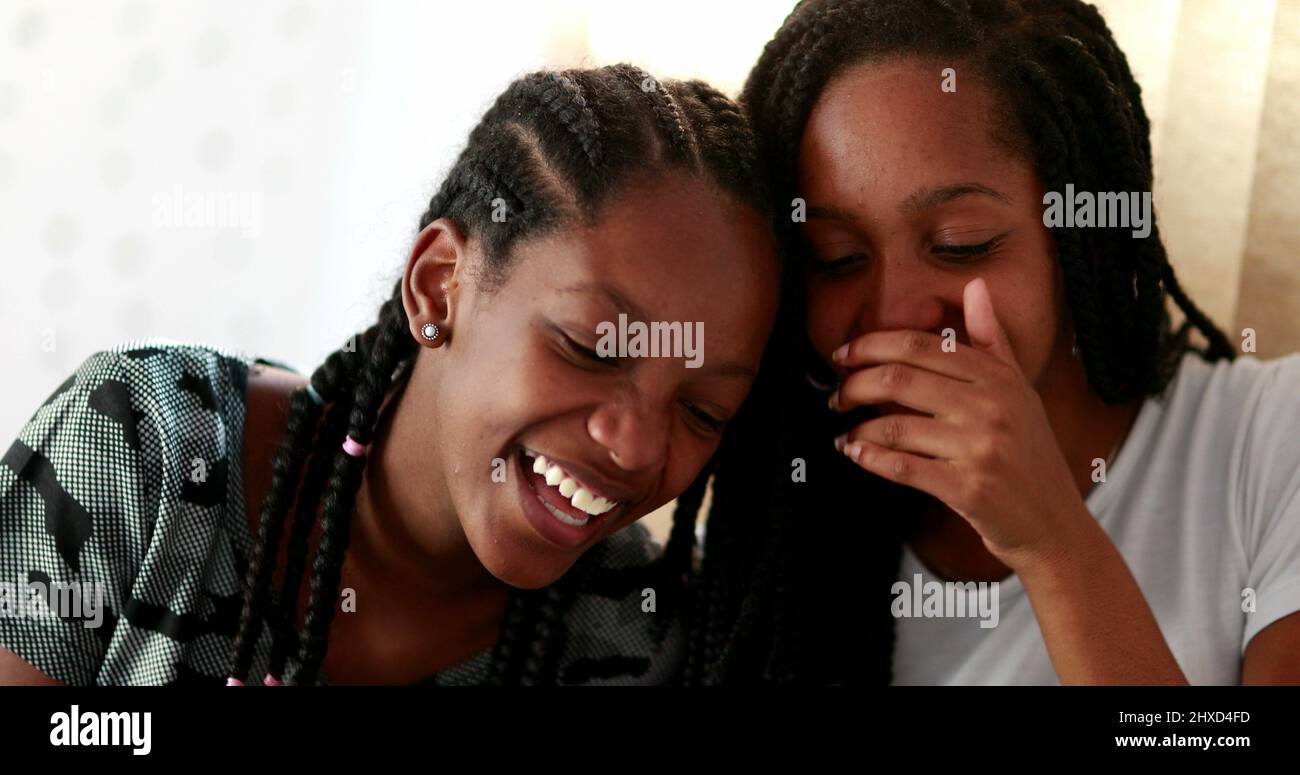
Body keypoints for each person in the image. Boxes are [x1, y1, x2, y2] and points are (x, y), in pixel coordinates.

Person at [0, 64, 780, 685]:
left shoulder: (633, 637)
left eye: (703, 412)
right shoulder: (144, 446)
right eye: (589, 346)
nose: (637, 445)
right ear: (440, 283)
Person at [691, 0, 1300, 685]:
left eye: (961, 245)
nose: (897, 312)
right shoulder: (777, 517)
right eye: (836, 257)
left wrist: (1053, 541)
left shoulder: (1275, 442)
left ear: (1081, 237)